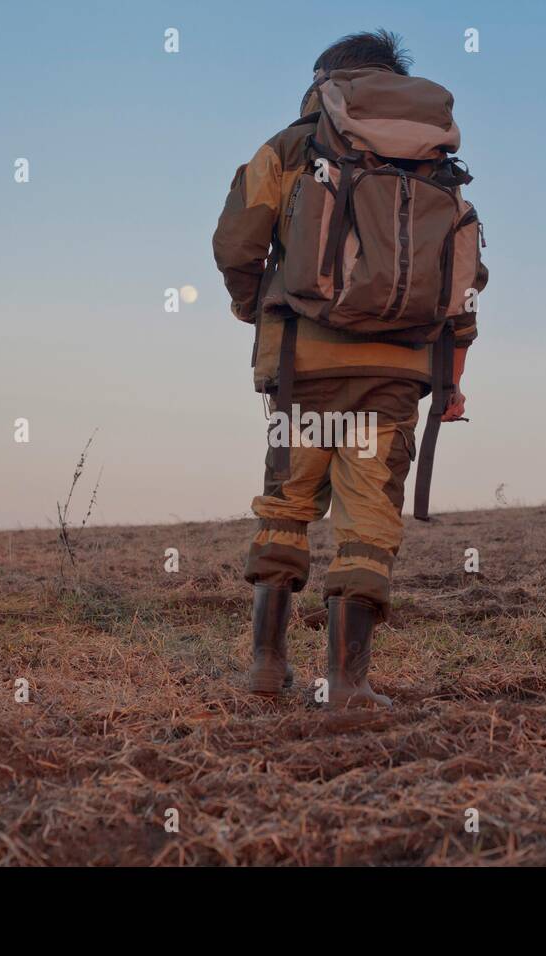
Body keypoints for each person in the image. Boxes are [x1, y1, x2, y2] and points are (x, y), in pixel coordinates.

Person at [212, 29, 486, 708]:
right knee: (368, 522)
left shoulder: (294, 144)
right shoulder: (435, 163)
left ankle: (267, 669)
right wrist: (450, 380)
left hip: (300, 369)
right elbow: (465, 282)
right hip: (395, 377)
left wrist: (259, 310)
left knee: (286, 504)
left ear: (325, 79)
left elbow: (235, 240)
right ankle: (348, 683)